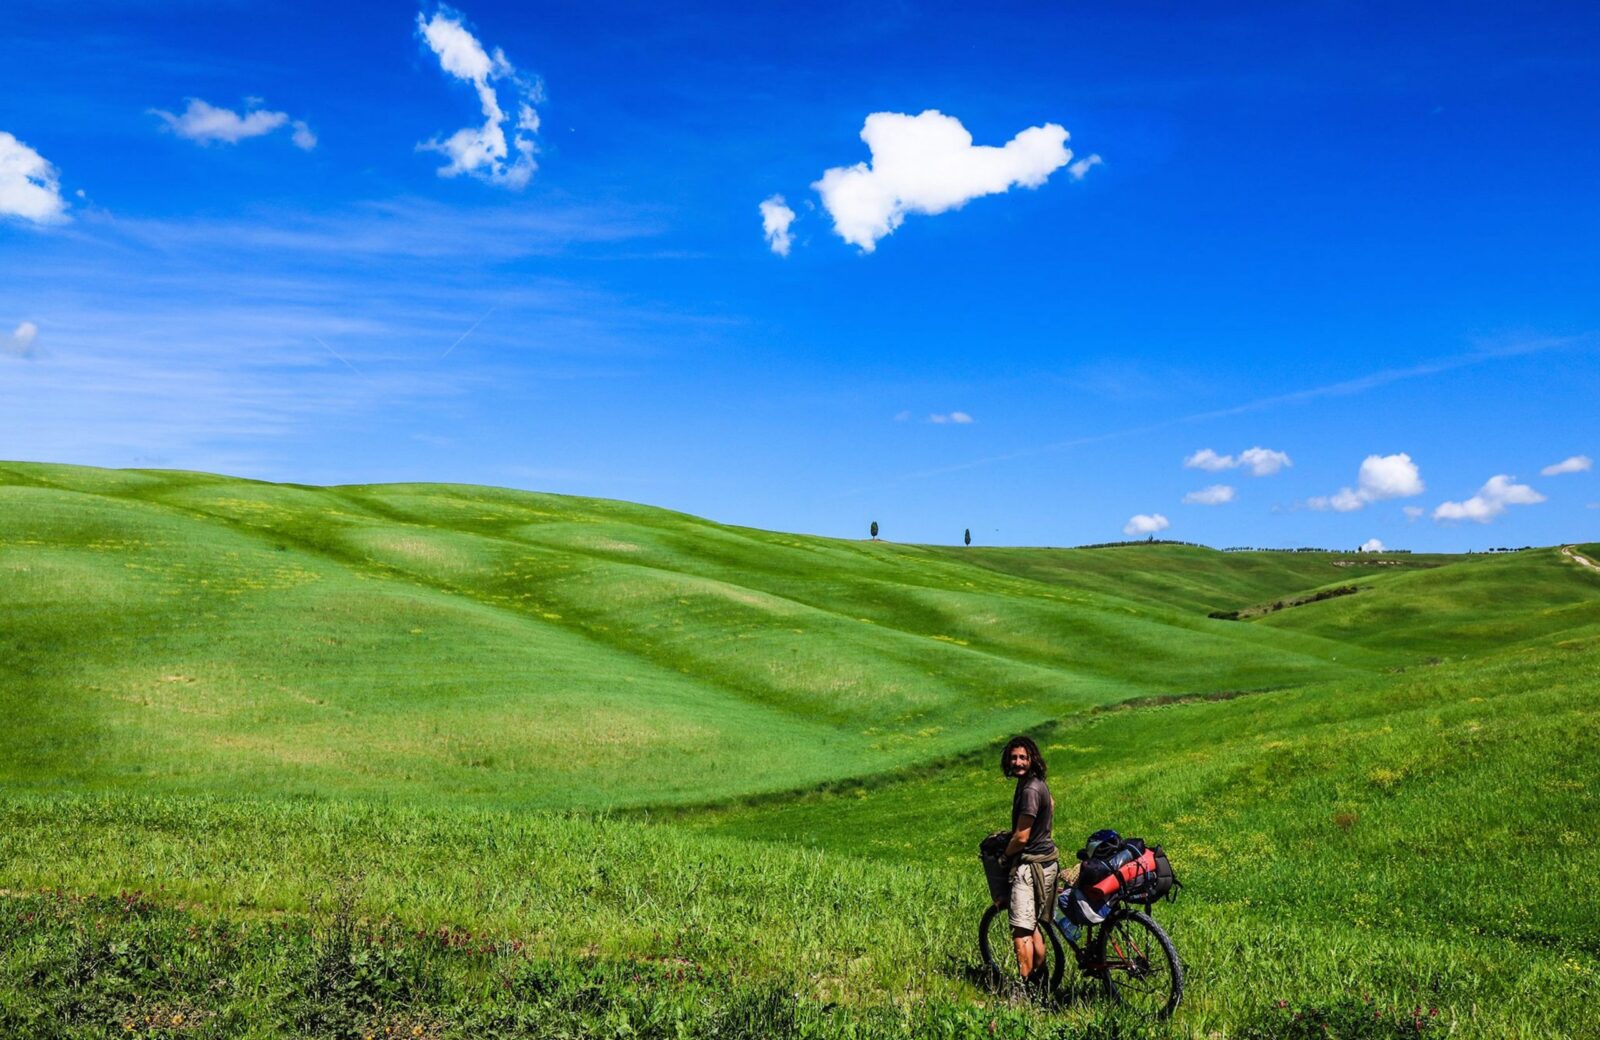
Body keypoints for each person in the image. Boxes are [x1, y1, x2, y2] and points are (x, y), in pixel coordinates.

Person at [994, 735, 1057, 984]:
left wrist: (1004, 856)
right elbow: (1051, 803)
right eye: (1013, 757)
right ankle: (1042, 983)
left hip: (1031, 867)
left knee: (1021, 931)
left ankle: (1025, 989)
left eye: (1022, 757)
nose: (1017, 762)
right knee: (1031, 926)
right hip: (1046, 861)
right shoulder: (1035, 783)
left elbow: (1021, 838)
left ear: (1032, 759)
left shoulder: (1029, 789)